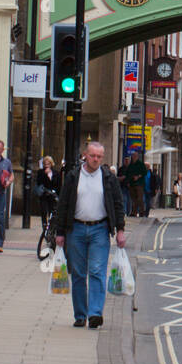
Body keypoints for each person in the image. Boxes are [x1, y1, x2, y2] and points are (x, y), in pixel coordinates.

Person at [54, 141, 126, 329]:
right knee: (78, 273)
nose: (96, 159)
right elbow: (63, 204)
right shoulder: (73, 176)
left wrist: (120, 230)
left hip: (100, 229)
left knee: (96, 271)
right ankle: (80, 315)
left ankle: (95, 313)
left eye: (99, 157)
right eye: (93, 156)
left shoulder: (108, 178)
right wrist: (59, 232)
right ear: (85, 154)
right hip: (76, 229)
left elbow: (118, 205)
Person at [121, 153, 147, 218]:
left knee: (139, 199)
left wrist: (138, 176)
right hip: (132, 184)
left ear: (137, 157)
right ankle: (134, 212)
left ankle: (141, 212)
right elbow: (128, 174)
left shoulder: (141, 164)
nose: (133, 157)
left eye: (135, 156)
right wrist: (128, 182)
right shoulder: (131, 165)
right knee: (133, 199)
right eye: (132, 156)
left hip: (139, 184)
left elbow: (144, 172)